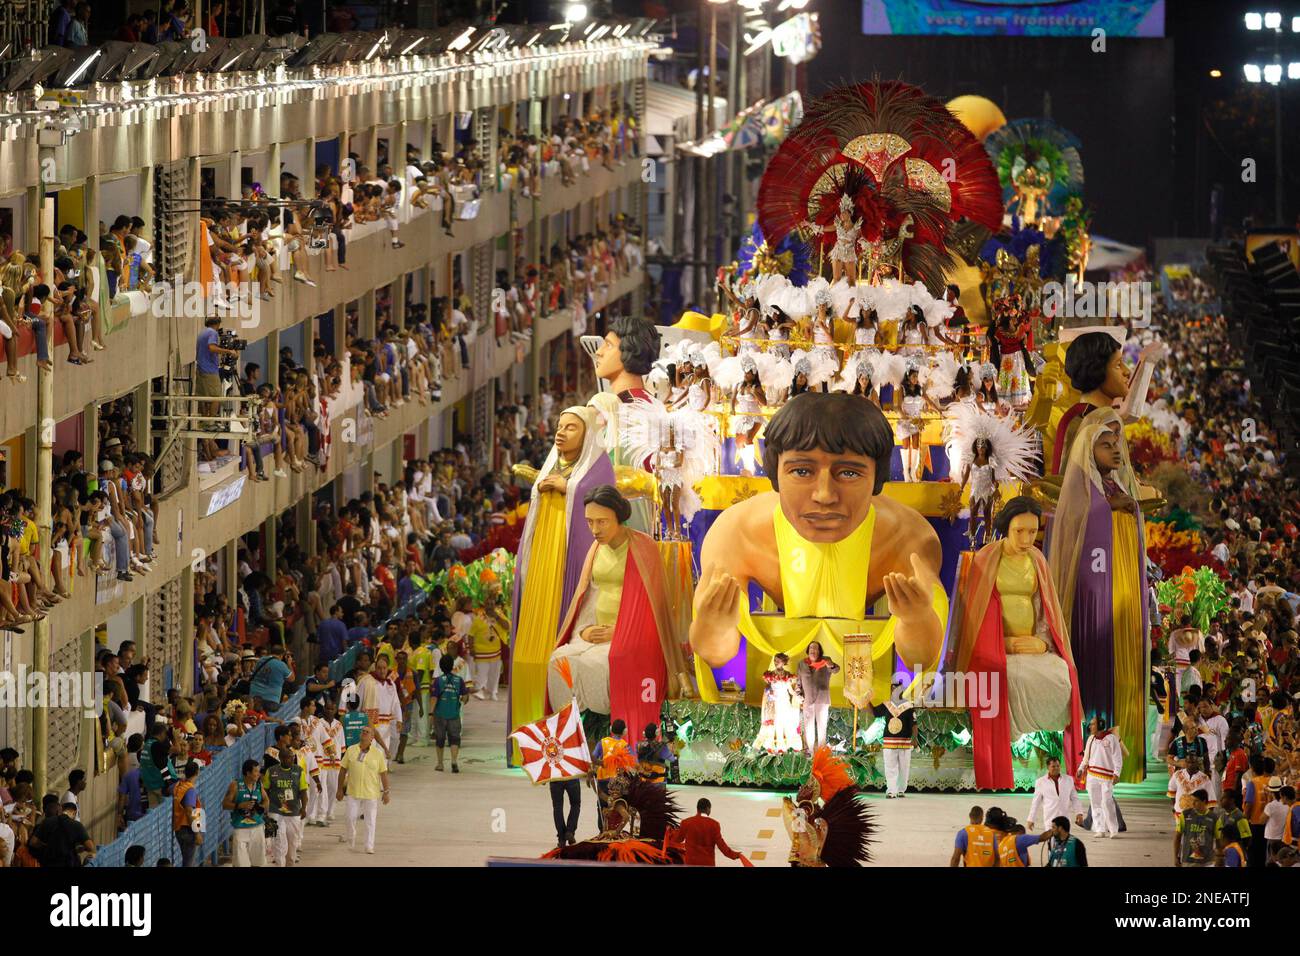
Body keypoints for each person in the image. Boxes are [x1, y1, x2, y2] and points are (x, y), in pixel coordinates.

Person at [690, 393, 946, 721]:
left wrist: (917, 620)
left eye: (849, 473)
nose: (824, 495)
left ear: (877, 477)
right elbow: (714, 653)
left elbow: (922, 657)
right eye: (801, 471)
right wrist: (713, 626)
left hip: (867, 709)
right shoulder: (736, 532)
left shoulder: (909, 537)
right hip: (777, 705)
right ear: (775, 472)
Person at [951, 496, 1084, 788]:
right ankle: (998, 755)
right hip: (993, 646)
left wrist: (1042, 641)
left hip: (1033, 644)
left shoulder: (1038, 560)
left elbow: (1045, 607)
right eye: (1019, 531)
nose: (1026, 538)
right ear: (1005, 528)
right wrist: (1004, 644)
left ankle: (1051, 745)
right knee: (1003, 675)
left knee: (1063, 674)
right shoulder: (986, 559)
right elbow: (976, 613)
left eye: (1032, 532)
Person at [508, 405, 615, 763]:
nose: (562, 432)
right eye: (559, 426)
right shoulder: (554, 462)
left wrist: (567, 486)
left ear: (585, 433)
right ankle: (525, 740)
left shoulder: (598, 464)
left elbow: (599, 496)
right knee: (528, 645)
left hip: (568, 556)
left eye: (571, 427)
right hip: (543, 556)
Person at [546, 485, 688, 737]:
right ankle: (567, 740)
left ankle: (618, 736)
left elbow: (653, 609)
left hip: (635, 637)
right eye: (590, 522)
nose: (595, 530)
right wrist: (584, 629)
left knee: (606, 661)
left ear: (618, 517)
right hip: (598, 633)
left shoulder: (644, 548)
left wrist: (620, 632)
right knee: (559, 660)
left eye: (602, 522)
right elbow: (587, 596)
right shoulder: (596, 549)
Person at [336, 725, 390, 854]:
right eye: (363, 731)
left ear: (372, 738)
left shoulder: (377, 754)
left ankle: (369, 845)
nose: (364, 733)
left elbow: (383, 774)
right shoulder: (351, 750)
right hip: (352, 791)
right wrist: (339, 789)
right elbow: (343, 770)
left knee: (370, 821)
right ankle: (351, 837)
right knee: (349, 817)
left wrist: (386, 792)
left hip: (371, 793)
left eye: (368, 732)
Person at [264, 731, 308, 867]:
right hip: (275, 810)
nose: (290, 760)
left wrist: (304, 808)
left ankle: (290, 862)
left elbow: (303, 791)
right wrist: (265, 808)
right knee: (278, 840)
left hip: (293, 811)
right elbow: (265, 790)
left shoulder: (298, 771)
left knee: (292, 841)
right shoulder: (271, 771)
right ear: (281, 758)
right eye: (287, 758)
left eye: (292, 757)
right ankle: (279, 863)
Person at [1079, 715, 1125, 838]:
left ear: (1099, 725)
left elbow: (1117, 757)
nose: (1090, 726)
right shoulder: (1091, 739)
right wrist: (1080, 768)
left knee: (1107, 802)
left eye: (1093, 724)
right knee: (1095, 803)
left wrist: (1117, 773)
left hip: (1107, 777)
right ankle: (1100, 829)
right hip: (1092, 776)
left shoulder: (1111, 738)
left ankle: (1113, 830)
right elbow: (1086, 758)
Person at [666, 798, 746, 866]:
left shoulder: (686, 822)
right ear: (708, 809)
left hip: (691, 862)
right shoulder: (714, 824)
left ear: (697, 809)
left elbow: (677, 839)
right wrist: (734, 855)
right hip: (708, 862)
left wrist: (670, 833)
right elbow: (721, 845)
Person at [223, 759, 268, 867]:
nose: (258, 774)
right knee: (240, 863)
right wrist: (239, 805)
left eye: (259, 771)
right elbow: (224, 804)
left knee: (258, 862)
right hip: (240, 828)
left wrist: (261, 807)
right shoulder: (235, 785)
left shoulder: (258, 785)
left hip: (257, 828)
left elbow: (266, 800)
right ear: (248, 773)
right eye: (256, 771)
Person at [797, 641, 840, 753]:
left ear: (820, 651)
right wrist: (798, 694)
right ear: (808, 650)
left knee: (822, 728)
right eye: (811, 647)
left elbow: (836, 670)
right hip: (808, 699)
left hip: (822, 699)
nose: (813, 650)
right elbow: (798, 682)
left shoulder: (826, 660)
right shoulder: (802, 663)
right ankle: (809, 752)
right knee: (808, 727)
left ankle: (822, 753)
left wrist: (831, 665)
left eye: (816, 648)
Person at [432, 652, 468, 773]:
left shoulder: (437, 681)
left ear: (441, 667)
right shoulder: (459, 680)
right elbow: (465, 697)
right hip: (454, 714)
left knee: (440, 739)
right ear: (452, 665)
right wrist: (462, 700)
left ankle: (440, 764)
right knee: (454, 739)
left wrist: (431, 714)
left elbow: (434, 698)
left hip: (440, 715)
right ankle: (454, 761)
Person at [1026, 757, 1084, 831]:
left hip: (1065, 819)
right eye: (1053, 766)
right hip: (1050, 820)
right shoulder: (1040, 782)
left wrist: (1079, 813)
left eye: (1058, 766)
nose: (1056, 768)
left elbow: (1075, 799)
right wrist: (1031, 819)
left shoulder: (1068, 780)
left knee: (1064, 841)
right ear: (1048, 767)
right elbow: (1035, 803)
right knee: (1052, 841)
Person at [171, 760, 204, 867]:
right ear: (197, 772)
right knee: (189, 863)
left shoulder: (179, 786)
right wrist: (197, 833)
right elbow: (189, 811)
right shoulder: (190, 789)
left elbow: (168, 790)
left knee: (187, 861)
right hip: (188, 829)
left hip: (179, 828)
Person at [1174, 789, 1217, 867]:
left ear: (1204, 801)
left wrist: (1219, 858)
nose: (1193, 803)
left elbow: (1219, 840)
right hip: (1188, 861)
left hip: (1207, 862)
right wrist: (1176, 857)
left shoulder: (1213, 818)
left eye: (1196, 801)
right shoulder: (1185, 815)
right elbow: (1178, 837)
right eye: (1192, 801)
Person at [549, 776, 582, 848]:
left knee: (557, 807)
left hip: (555, 779)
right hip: (572, 777)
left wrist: (544, 778)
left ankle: (561, 839)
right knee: (575, 805)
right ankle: (570, 831)